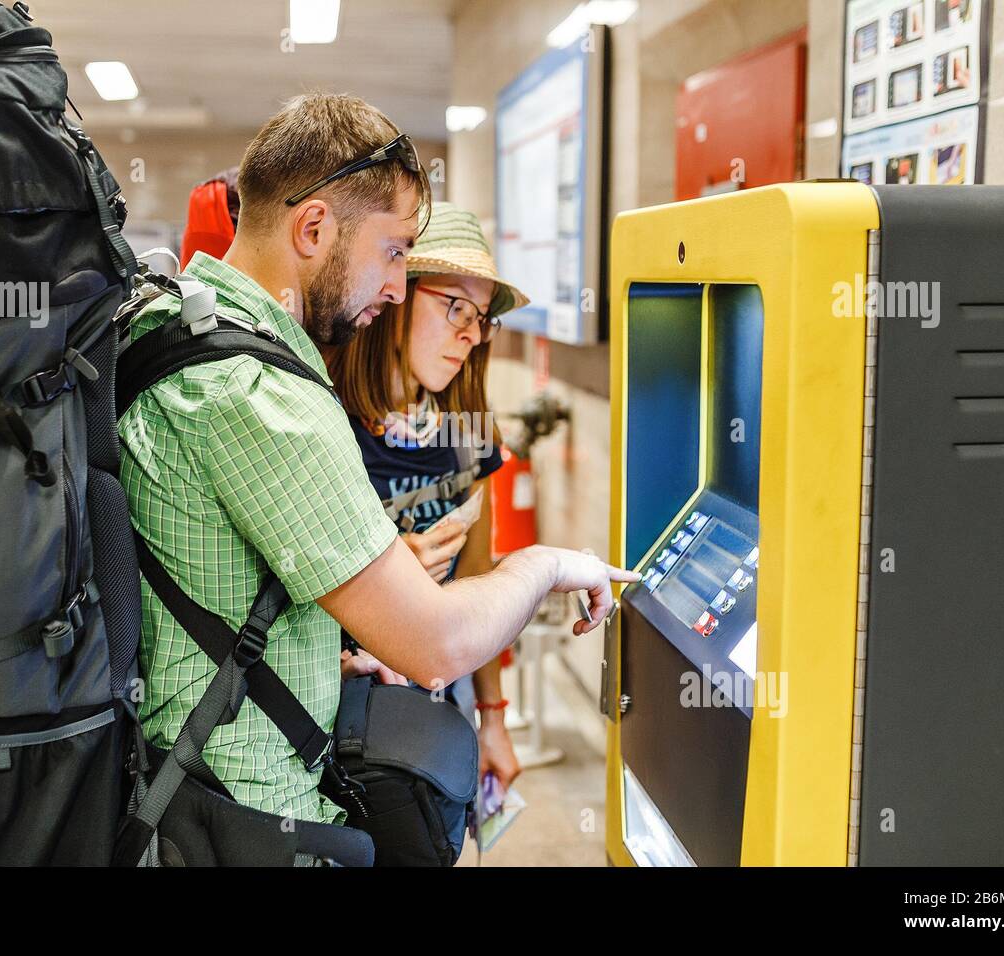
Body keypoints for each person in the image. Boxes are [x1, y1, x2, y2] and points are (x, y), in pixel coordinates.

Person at [118, 92, 637, 828]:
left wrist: (320, 653)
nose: (395, 288)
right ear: (314, 227)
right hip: (249, 816)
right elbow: (438, 644)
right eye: (394, 253)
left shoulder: (178, 316)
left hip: (198, 788)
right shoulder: (262, 396)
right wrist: (548, 566)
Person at [322, 201, 529, 791]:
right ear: (397, 295)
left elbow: (478, 578)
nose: (470, 334)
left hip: (441, 702)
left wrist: (493, 718)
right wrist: (390, 575)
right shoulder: (328, 422)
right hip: (344, 708)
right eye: (455, 307)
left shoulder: (466, 430)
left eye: (483, 318)